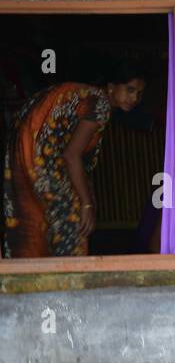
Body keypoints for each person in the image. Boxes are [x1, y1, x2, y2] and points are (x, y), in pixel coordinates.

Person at [2, 58, 147, 258]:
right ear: (112, 87)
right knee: (73, 219)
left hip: (21, 151)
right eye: (130, 90)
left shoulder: (87, 95)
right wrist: (87, 204)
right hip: (38, 154)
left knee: (30, 218)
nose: (134, 98)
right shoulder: (100, 103)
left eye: (139, 93)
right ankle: (69, 279)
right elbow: (72, 155)